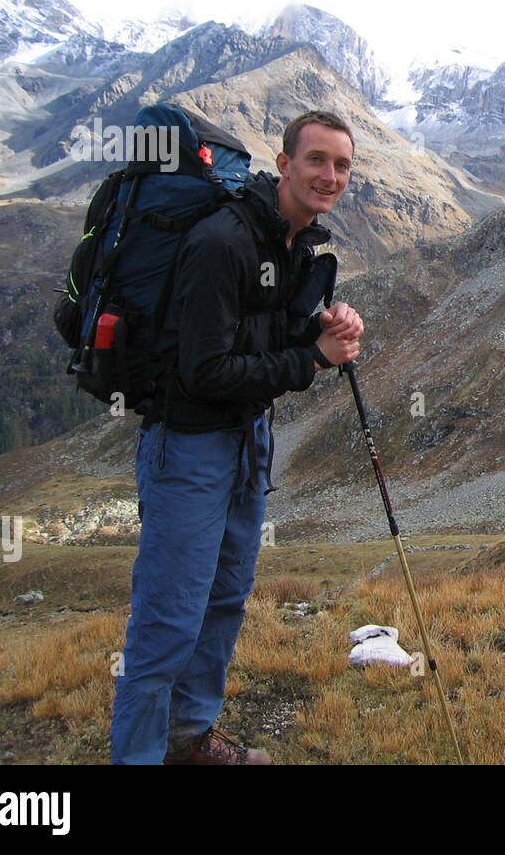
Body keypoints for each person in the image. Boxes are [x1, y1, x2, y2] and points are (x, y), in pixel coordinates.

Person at [110, 110, 363, 765]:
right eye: (316, 160)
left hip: (247, 441)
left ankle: (190, 738)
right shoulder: (224, 242)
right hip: (189, 446)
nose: (328, 175)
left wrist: (319, 331)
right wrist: (311, 361)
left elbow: (265, 339)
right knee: (168, 618)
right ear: (283, 163)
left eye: (341, 165)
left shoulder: (290, 241)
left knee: (224, 598)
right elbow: (205, 370)